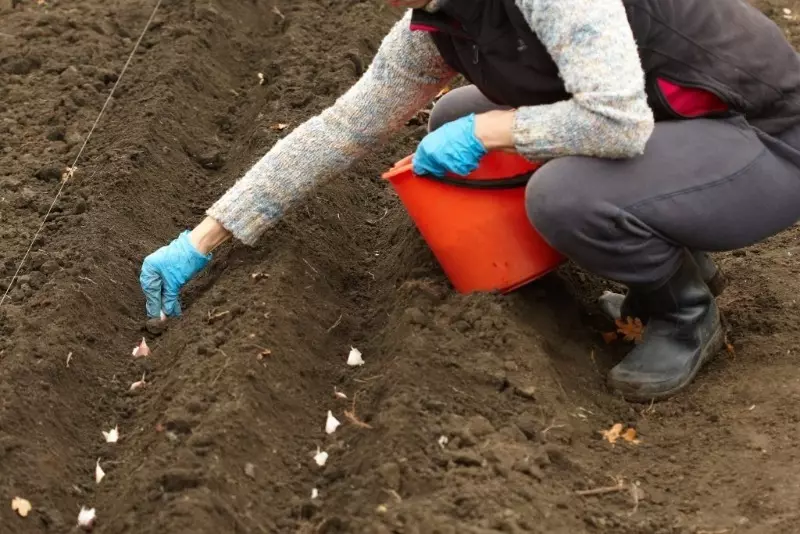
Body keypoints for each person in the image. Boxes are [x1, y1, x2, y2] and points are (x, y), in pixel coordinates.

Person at [140, 0, 800, 402]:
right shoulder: (438, 22)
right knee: (449, 112)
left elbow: (619, 124)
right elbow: (342, 130)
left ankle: (684, 313)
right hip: (677, 127)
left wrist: (489, 130)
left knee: (562, 195)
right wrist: (204, 238)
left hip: (763, 137)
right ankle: (665, 249)